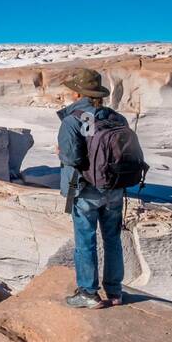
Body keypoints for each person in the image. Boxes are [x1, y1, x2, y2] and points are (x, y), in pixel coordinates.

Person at [56, 68, 128, 309]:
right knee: (113, 240)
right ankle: (115, 292)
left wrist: (61, 153)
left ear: (78, 94)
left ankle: (88, 293)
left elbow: (73, 158)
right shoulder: (116, 118)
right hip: (115, 188)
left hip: (86, 189)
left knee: (86, 240)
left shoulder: (72, 119)